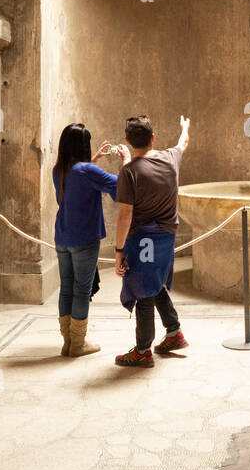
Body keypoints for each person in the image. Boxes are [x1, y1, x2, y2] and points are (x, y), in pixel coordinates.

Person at [113, 114, 190, 367]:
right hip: (166, 237)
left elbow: (125, 215)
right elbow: (183, 143)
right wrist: (184, 127)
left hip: (143, 238)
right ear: (153, 137)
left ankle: (143, 350)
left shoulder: (129, 172)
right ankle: (174, 333)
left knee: (143, 291)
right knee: (155, 282)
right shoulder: (170, 158)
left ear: (127, 140)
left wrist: (119, 251)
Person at [53, 123, 130, 357]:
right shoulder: (86, 171)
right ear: (83, 146)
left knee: (66, 289)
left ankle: (67, 341)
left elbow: (80, 180)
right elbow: (122, 185)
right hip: (84, 238)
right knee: (81, 290)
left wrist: (93, 160)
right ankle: (78, 344)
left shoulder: (60, 169)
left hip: (62, 236)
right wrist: (127, 159)